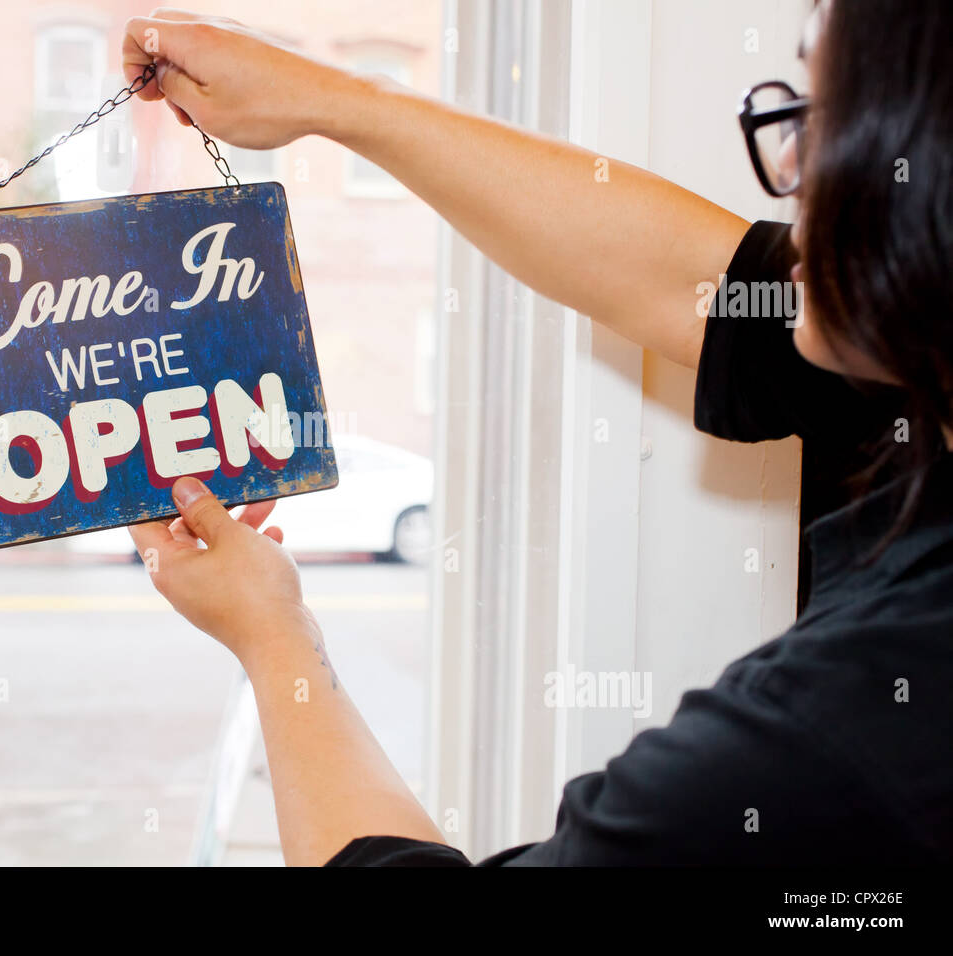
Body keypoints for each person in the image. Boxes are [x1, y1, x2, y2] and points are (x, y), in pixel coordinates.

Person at [120, 1, 953, 865]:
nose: (790, 160)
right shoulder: (911, 367)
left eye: (829, 117)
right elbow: (705, 288)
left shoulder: (840, 735)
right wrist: (335, 101)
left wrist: (273, 632)